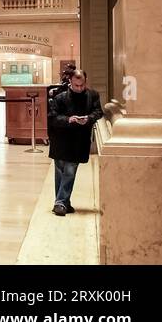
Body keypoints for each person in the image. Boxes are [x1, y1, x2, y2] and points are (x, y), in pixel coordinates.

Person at [47, 70, 103, 216]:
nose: (79, 88)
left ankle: (60, 202)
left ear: (86, 81)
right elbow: (52, 118)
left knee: (70, 172)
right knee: (60, 172)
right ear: (70, 82)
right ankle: (64, 202)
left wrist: (88, 118)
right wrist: (69, 120)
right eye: (76, 85)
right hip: (60, 139)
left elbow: (98, 112)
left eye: (82, 85)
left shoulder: (93, 95)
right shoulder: (60, 98)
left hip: (78, 141)